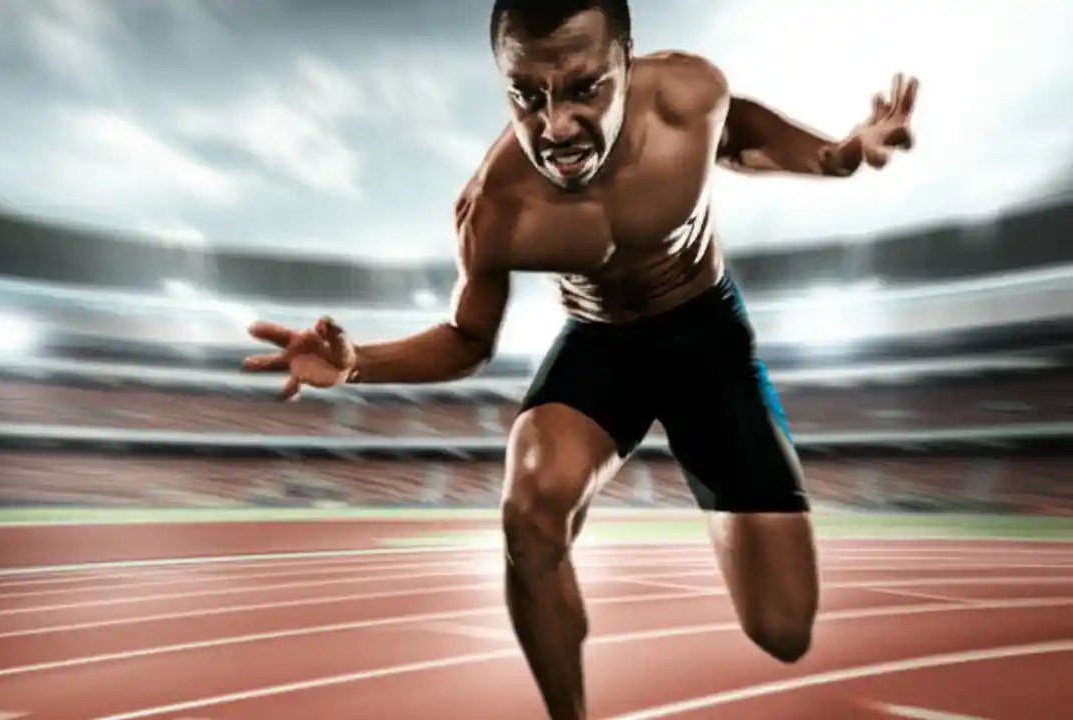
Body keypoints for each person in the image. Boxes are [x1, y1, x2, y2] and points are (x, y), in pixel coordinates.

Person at [242, 1, 918, 717]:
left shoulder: (688, 94)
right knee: (527, 514)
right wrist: (355, 366)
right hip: (603, 343)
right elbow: (469, 339)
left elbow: (737, 131)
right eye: (527, 95)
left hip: (706, 338)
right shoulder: (495, 207)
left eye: (585, 88)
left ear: (629, 62)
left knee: (783, 631)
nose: (556, 126)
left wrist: (840, 156)